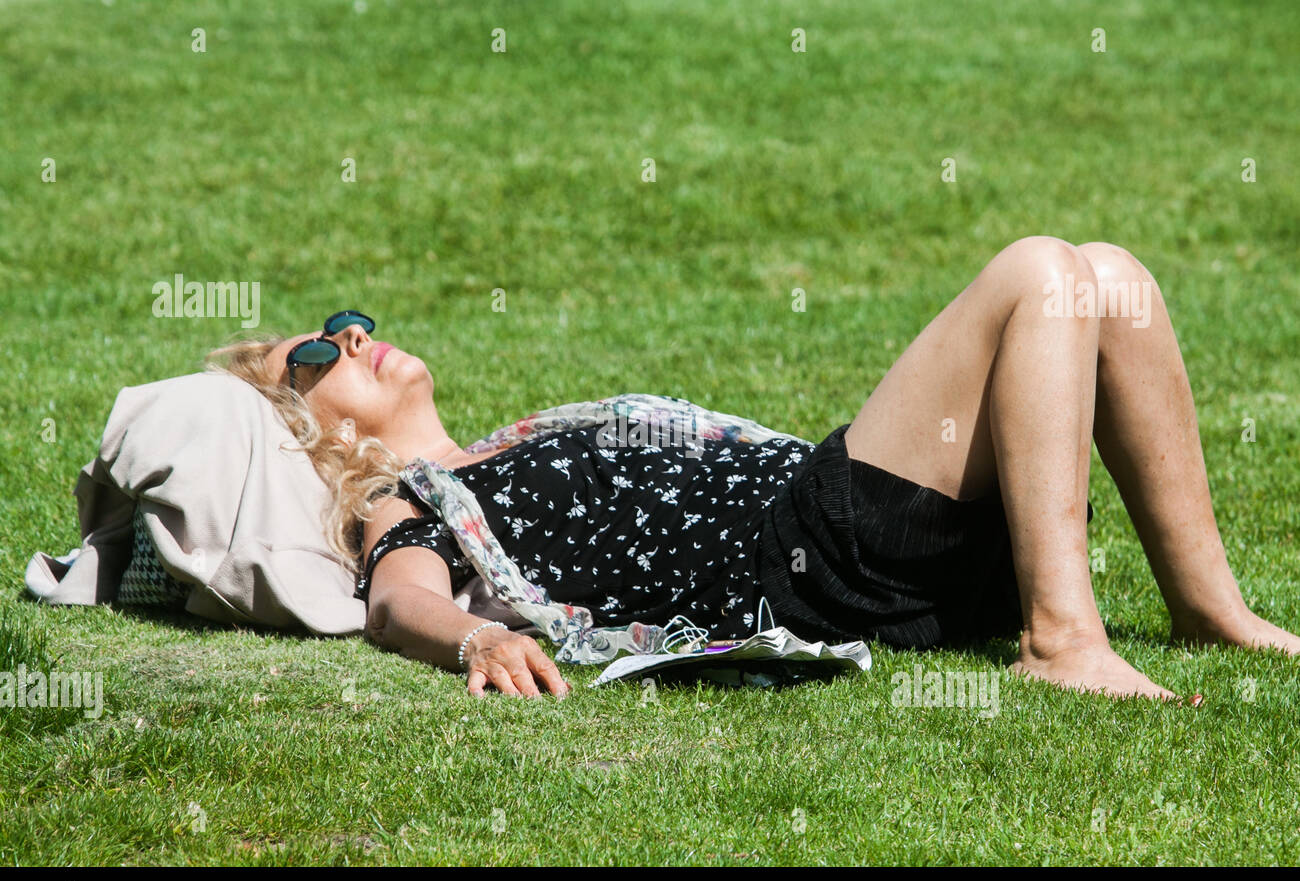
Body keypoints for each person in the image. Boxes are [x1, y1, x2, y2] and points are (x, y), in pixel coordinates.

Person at [207, 237, 1300, 701]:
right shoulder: (418, 497)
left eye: (345, 323)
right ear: (309, 431)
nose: (349, 337)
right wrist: (479, 633)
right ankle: (1061, 636)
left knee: (1108, 274)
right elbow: (398, 601)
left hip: (861, 539)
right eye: (311, 354)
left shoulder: (514, 439)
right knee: (1041, 272)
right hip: (797, 560)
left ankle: (1209, 609)